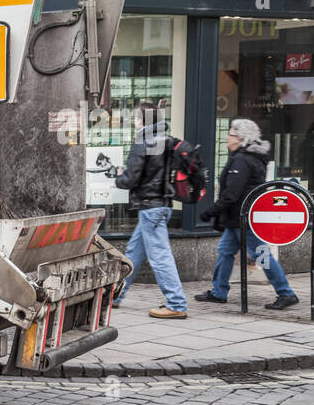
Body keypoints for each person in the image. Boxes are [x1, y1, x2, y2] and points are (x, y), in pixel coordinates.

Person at [196, 118, 300, 310]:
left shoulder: (242, 160)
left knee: (260, 255)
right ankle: (219, 291)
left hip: (244, 218)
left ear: (240, 137)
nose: (227, 137)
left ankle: (286, 293)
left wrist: (211, 211)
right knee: (225, 252)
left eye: (230, 133)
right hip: (239, 218)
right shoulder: (249, 157)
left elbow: (232, 193)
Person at [111, 106, 189, 319]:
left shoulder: (143, 142)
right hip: (162, 205)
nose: (135, 121)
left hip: (150, 207)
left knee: (160, 256)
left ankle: (176, 303)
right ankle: (115, 296)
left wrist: (118, 176)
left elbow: (131, 179)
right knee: (133, 253)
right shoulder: (168, 141)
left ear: (141, 121)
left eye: (136, 117)